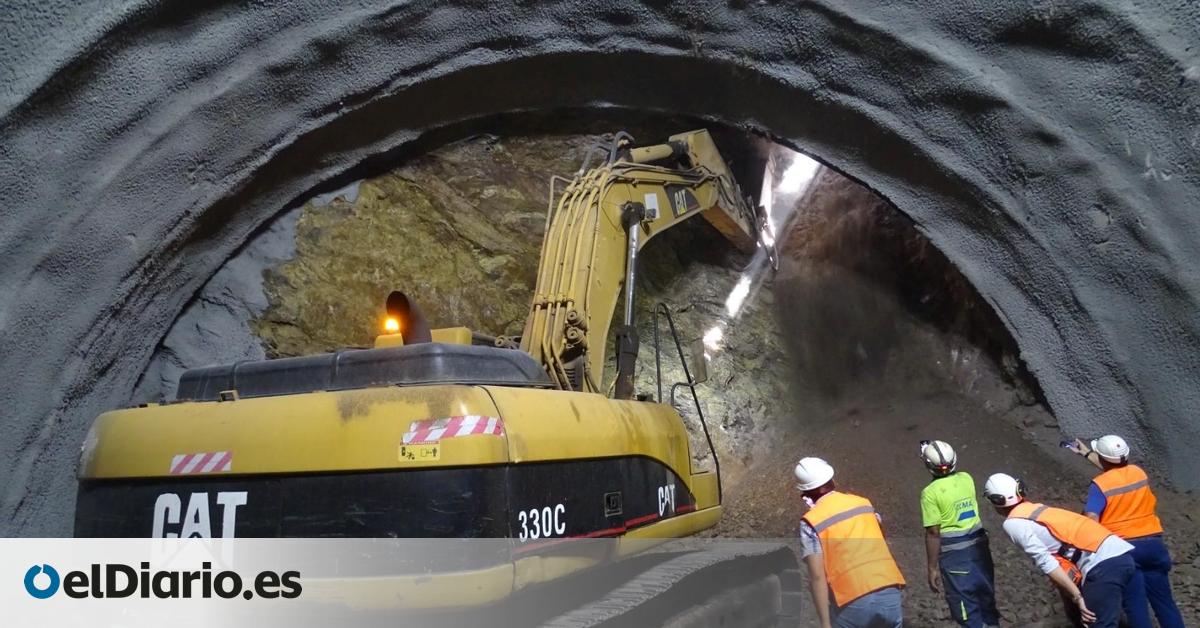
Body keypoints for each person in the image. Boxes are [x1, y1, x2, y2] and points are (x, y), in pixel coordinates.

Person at [983, 473, 1149, 628]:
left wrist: (1078, 597)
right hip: (1123, 555)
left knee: (1100, 623)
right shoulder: (1038, 509)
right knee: (1134, 619)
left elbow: (1046, 562)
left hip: (1103, 565)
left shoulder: (1014, 523)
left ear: (995, 500)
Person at [1069, 435, 1184, 628]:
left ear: (1102, 458)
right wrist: (1087, 453)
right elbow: (1116, 472)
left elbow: (1091, 517)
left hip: (1125, 549)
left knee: (1136, 606)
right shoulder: (1139, 473)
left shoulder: (1100, 485)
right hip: (1154, 546)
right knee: (1165, 603)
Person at [795, 457, 906, 628]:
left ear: (805, 494)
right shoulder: (863, 504)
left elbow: (817, 576)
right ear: (832, 480)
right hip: (889, 590)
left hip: (852, 599)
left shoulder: (811, 521)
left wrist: (825, 623)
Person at [918, 440, 999, 628]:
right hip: (980, 550)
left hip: (955, 557)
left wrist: (931, 567)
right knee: (986, 600)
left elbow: (933, 532)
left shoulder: (929, 493)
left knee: (965, 609)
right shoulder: (966, 478)